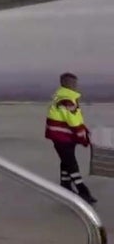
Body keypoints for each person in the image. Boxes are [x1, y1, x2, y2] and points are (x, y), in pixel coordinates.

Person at [44, 72, 97, 204]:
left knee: (66, 161)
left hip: (63, 136)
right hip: (62, 136)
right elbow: (73, 121)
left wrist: (83, 130)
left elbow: (75, 119)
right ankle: (82, 190)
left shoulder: (62, 97)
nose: (76, 86)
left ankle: (65, 184)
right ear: (68, 84)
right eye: (74, 83)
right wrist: (83, 137)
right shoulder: (67, 99)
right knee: (71, 162)